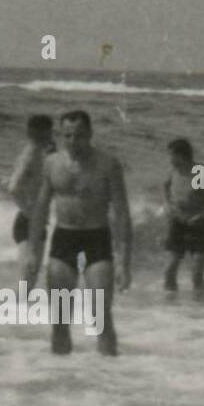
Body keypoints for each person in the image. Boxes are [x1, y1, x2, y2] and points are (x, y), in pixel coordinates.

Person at [27, 111, 132, 355]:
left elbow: (122, 215)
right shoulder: (51, 163)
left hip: (97, 240)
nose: (74, 141)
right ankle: (61, 380)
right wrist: (33, 252)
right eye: (68, 136)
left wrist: (124, 262)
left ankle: (111, 378)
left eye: (80, 135)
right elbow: (40, 210)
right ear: (61, 136)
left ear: (90, 134)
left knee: (100, 315)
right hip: (64, 239)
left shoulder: (107, 164)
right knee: (60, 321)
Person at [161, 138, 204, 293]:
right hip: (177, 224)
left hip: (196, 225)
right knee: (169, 271)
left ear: (181, 155)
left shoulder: (198, 173)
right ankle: (169, 309)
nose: (169, 159)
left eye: (171, 155)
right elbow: (166, 185)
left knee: (196, 275)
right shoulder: (175, 170)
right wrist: (167, 204)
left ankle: (200, 311)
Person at [8, 114, 56, 280]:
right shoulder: (31, 154)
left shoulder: (39, 153)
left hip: (33, 221)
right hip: (28, 222)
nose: (52, 135)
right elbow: (13, 187)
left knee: (29, 280)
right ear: (39, 132)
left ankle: (20, 306)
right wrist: (30, 211)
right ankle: (15, 307)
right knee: (27, 279)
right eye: (49, 131)